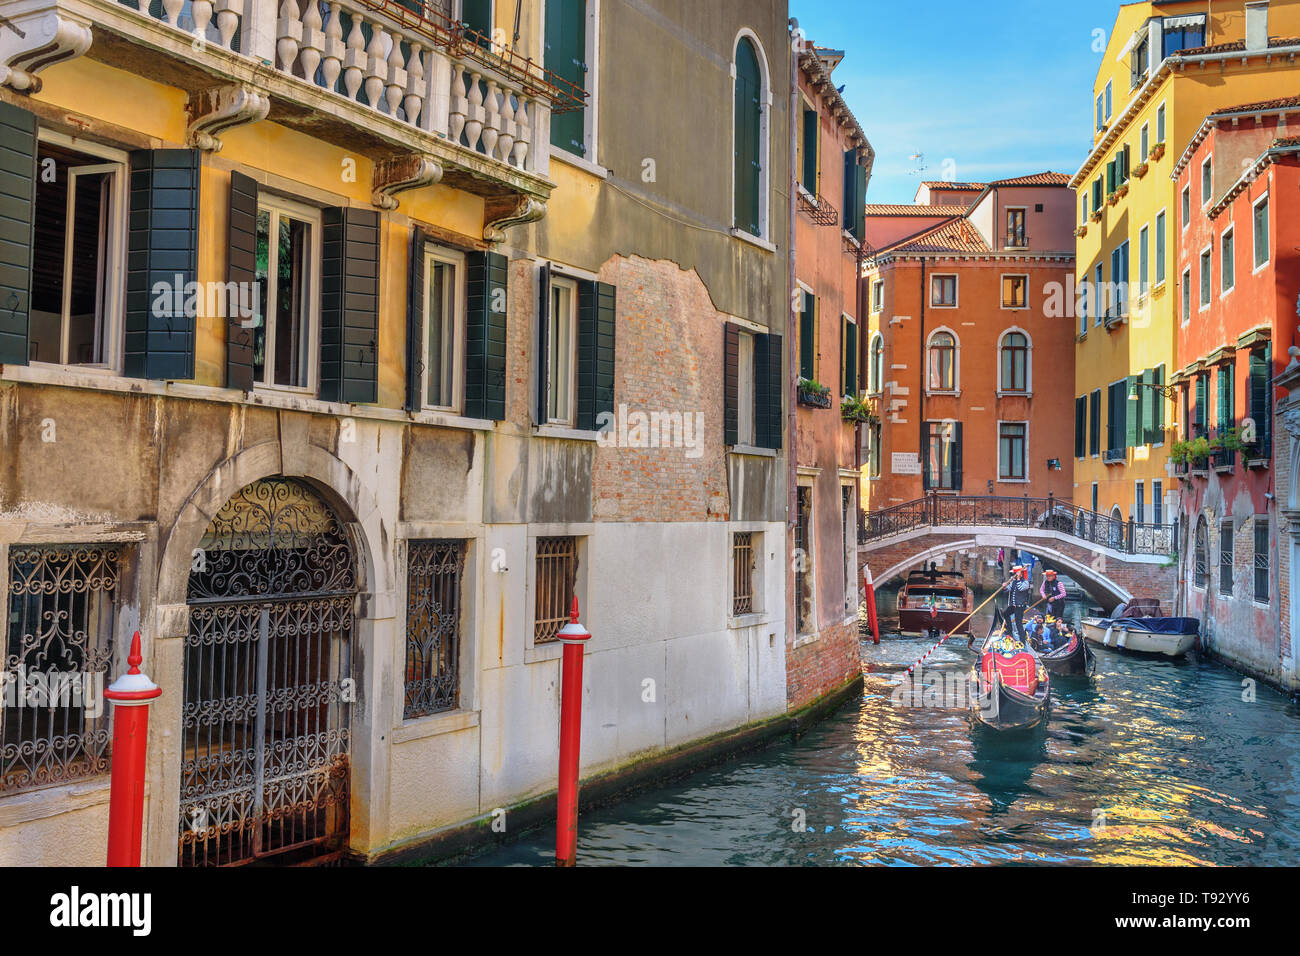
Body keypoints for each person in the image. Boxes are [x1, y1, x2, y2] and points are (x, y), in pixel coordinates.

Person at [1003, 564, 1032, 642]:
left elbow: (1020, 588)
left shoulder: (1026, 583)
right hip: (1013, 605)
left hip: (1020, 606)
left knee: (1018, 623)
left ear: (1021, 574)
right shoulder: (1013, 581)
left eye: (1016, 574)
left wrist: (1018, 578)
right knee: (1005, 614)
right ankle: (1010, 631)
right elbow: (1008, 589)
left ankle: (1022, 641)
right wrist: (1005, 586)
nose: (1014, 575)